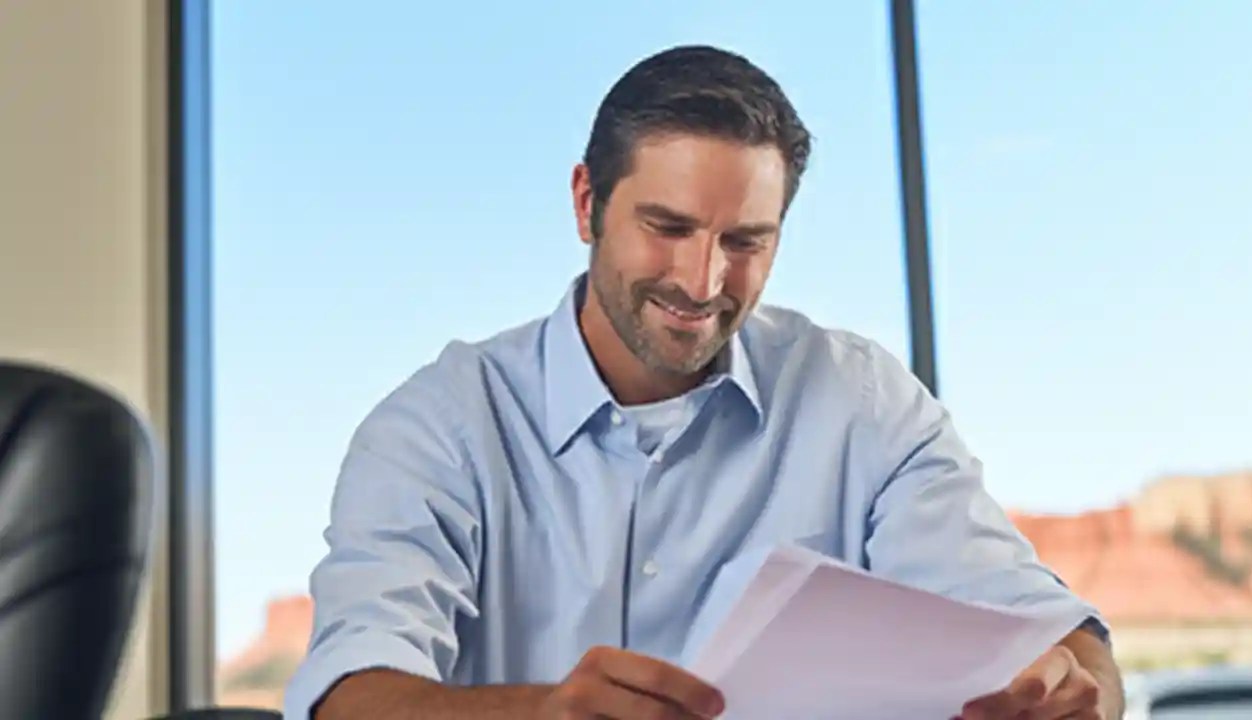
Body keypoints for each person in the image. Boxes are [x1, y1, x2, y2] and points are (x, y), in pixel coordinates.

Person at [285, 44, 1123, 720]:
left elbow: (1058, 639)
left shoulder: (860, 400)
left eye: (746, 241)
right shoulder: (440, 425)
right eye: (669, 227)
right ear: (587, 204)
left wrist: (1074, 691)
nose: (702, 279)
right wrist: (542, 714)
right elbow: (352, 693)